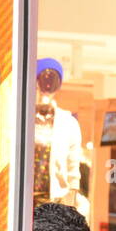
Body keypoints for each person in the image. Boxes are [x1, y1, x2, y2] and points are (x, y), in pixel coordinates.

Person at [32, 57, 86, 218]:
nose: (47, 84)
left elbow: (73, 166)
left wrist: (70, 205)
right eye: (43, 78)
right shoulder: (22, 117)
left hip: (55, 199)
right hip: (23, 196)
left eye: (53, 79)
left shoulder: (68, 123)